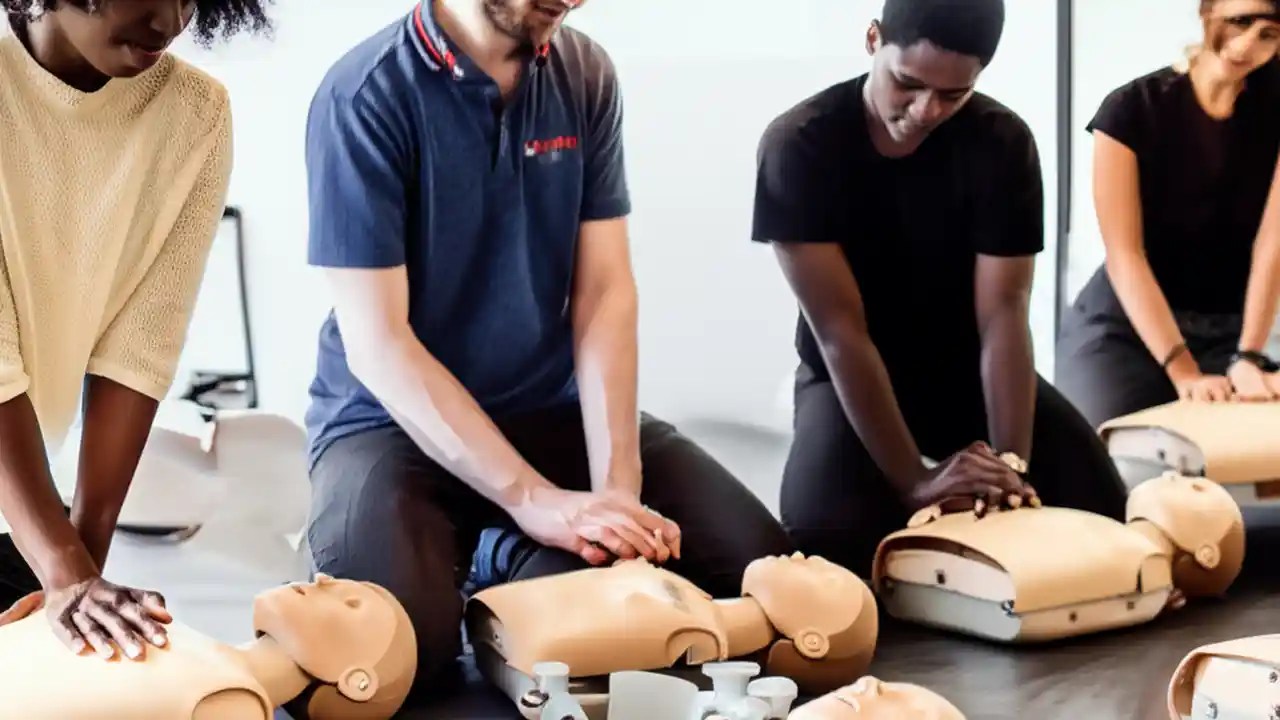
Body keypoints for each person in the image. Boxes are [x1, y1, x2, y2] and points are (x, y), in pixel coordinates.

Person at [303, 0, 793, 691]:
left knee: (765, 572)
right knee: (397, 651)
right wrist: (533, 501)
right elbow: (380, 343)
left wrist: (618, 492)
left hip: (544, 410)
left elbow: (604, 293)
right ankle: (488, 541)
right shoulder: (364, 95)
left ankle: (503, 543)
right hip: (391, 425)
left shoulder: (584, 73)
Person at [751, 0, 1130, 578]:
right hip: (848, 374)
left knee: (1104, 512)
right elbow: (841, 334)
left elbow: (1004, 315)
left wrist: (1010, 466)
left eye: (954, 95)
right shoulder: (799, 144)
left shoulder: (1003, 143)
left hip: (965, 371)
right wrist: (917, 481)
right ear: (873, 40)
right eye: (908, 84)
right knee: (829, 544)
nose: (926, 110)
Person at [0, 0, 268, 659]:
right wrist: (65, 572)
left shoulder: (195, 115)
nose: (172, 19)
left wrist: (79, 574)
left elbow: (139, 347)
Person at [1056, 0, 1280, 427]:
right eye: (1239, 22)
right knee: (1099, 450)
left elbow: (1273, 243)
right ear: (1207, 12)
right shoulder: (1129, 110)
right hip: (1125, 324)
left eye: (1269, 34)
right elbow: (1126, 255)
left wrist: (1249, 355)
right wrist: (1184, 371)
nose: (1248, 43)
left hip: (1233, 328)